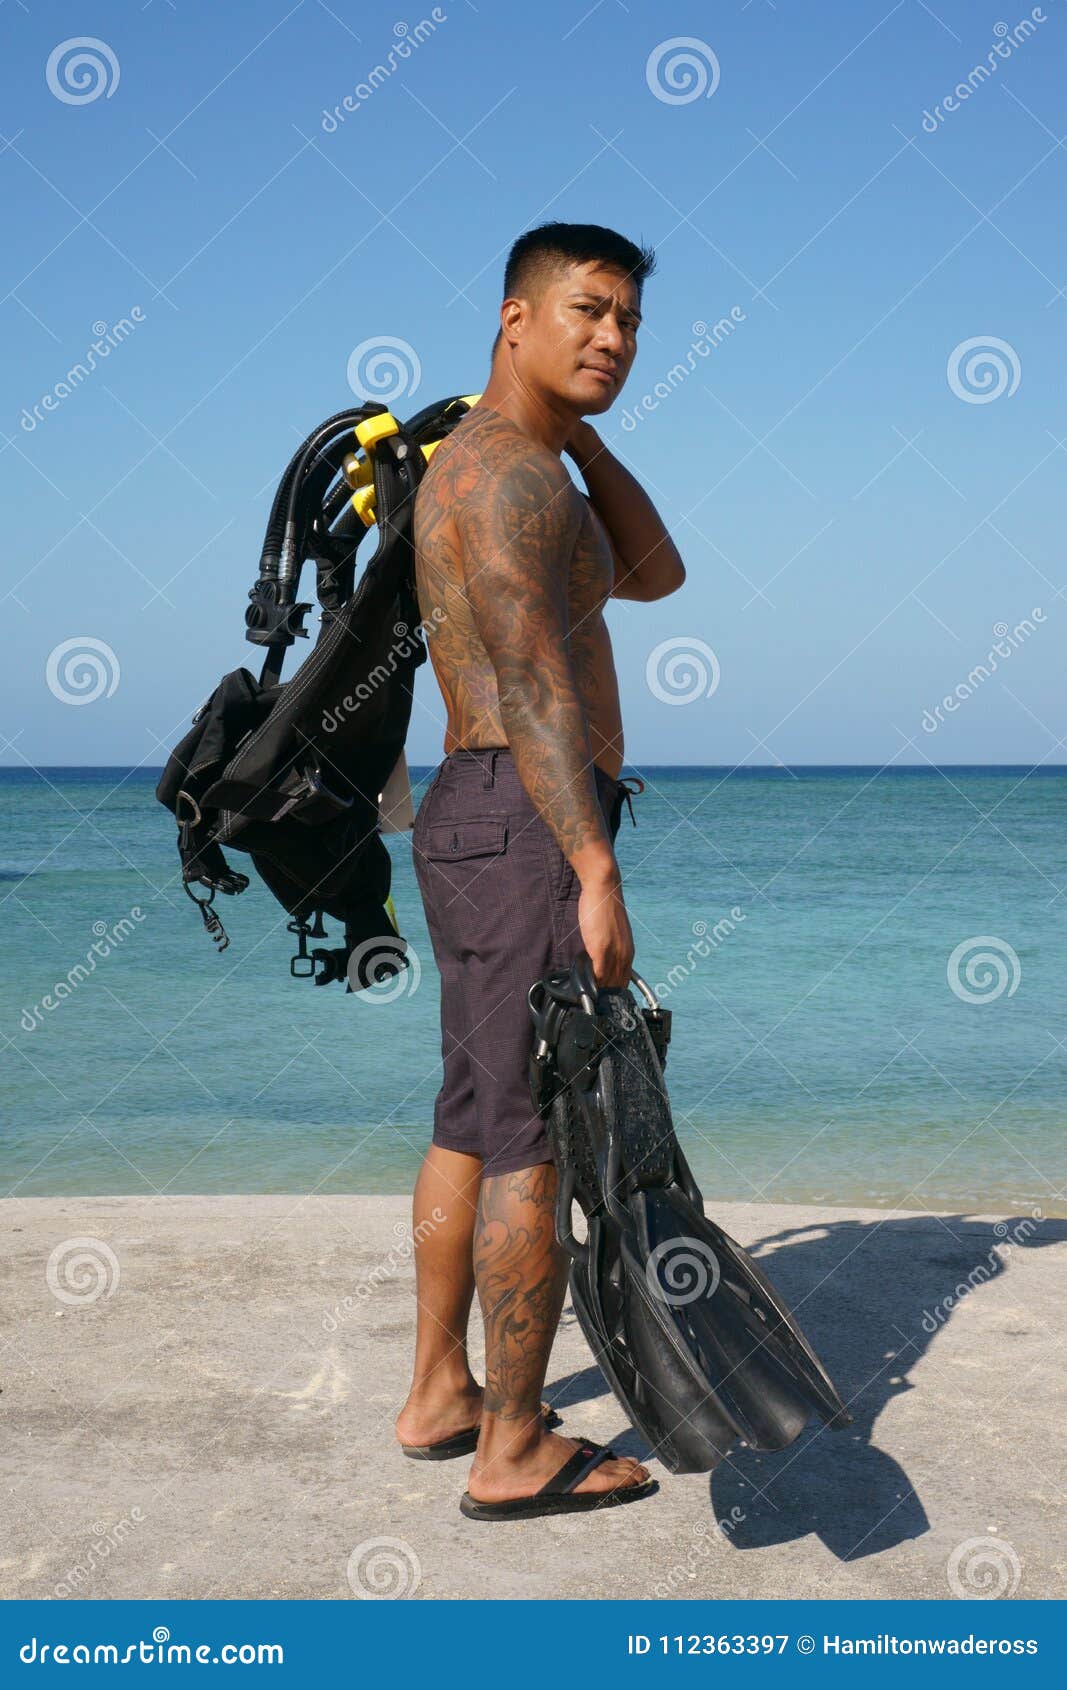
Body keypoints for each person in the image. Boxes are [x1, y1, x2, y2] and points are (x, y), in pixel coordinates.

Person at [395, 221, 686, 1518]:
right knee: (536, 1140)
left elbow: (657, 574)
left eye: (628, 319)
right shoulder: (508, 478)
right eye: (587, 311)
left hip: (465, 809)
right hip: (525, 812)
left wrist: (590, 438)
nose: (613, 338)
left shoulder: (515, 464)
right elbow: (530, 680)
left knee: (473, 1111)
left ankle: (438, 1391)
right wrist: (594, 864)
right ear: (514, 319)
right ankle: (514, 1447)